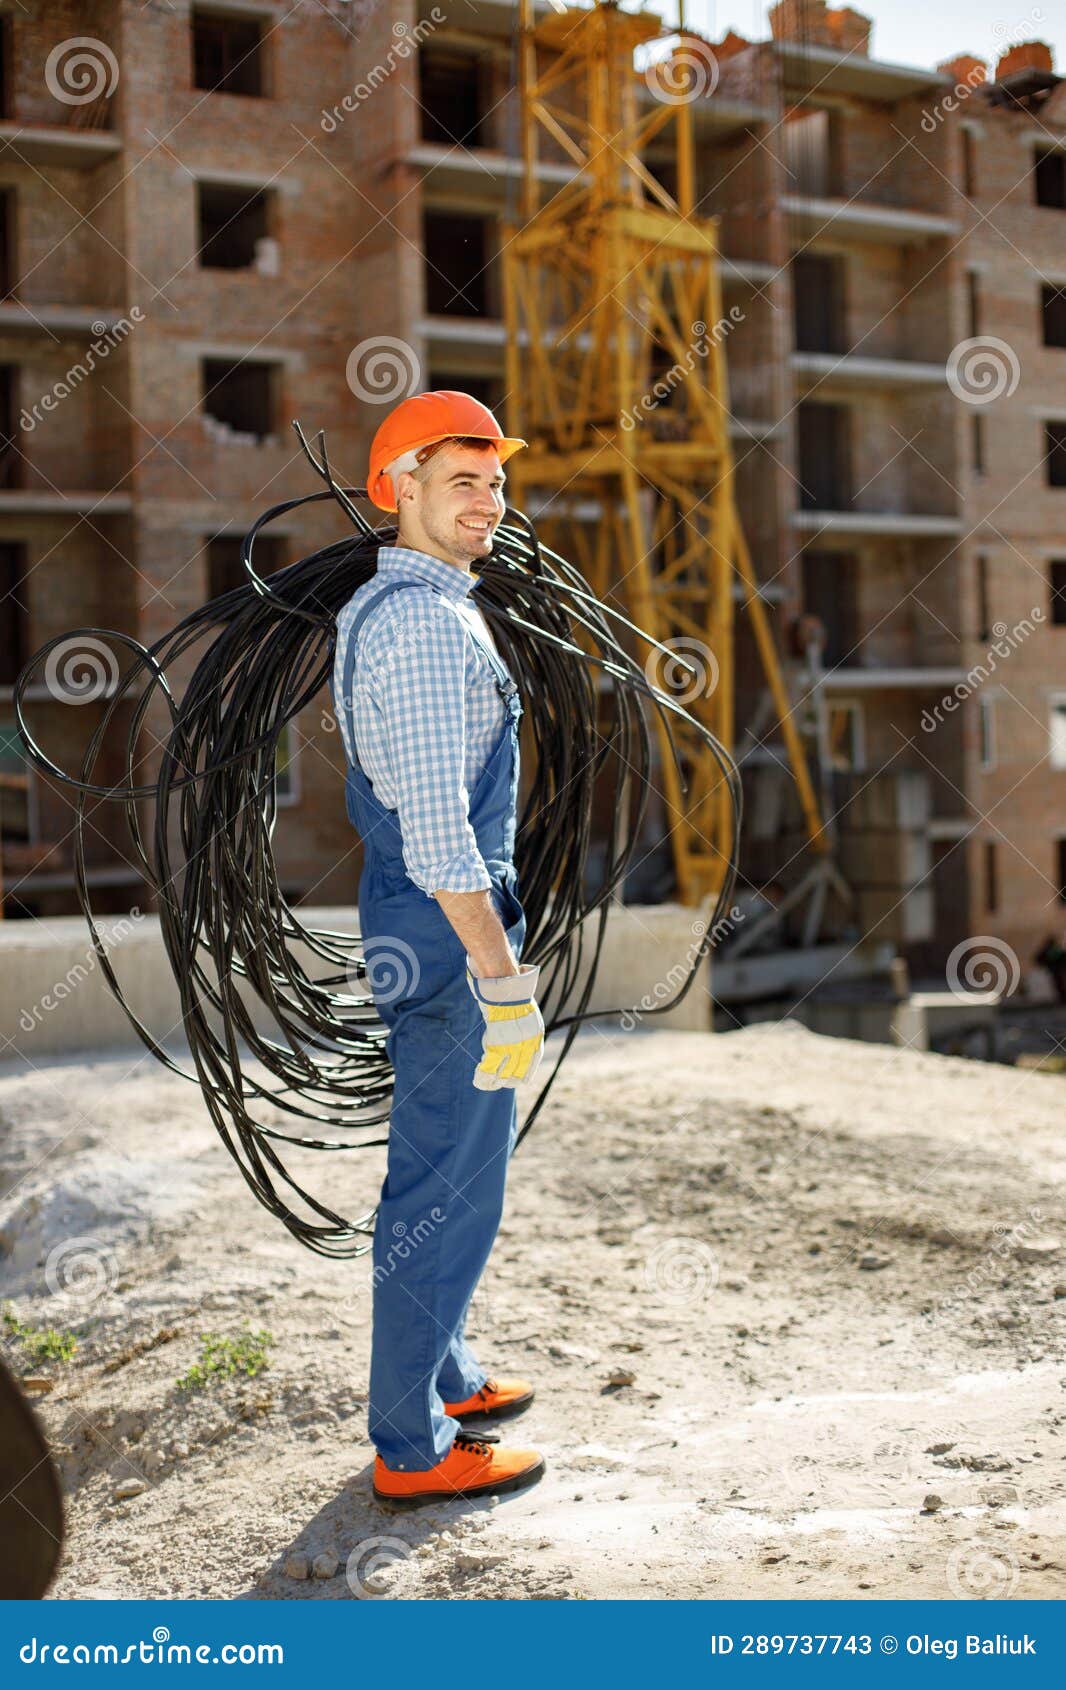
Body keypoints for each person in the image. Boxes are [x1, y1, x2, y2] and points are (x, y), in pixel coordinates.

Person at [332, 391, 548, 1509]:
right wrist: (499, 977)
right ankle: (410, 1450)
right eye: (461, 478)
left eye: (495, 479)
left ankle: (449, 1375)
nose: (488, 499)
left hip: (425, 936)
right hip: (445, 940)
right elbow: (436, 832)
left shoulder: (414, 608)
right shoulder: (419, 626)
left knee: (457, 1169)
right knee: (445, 1186)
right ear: (397, 488)